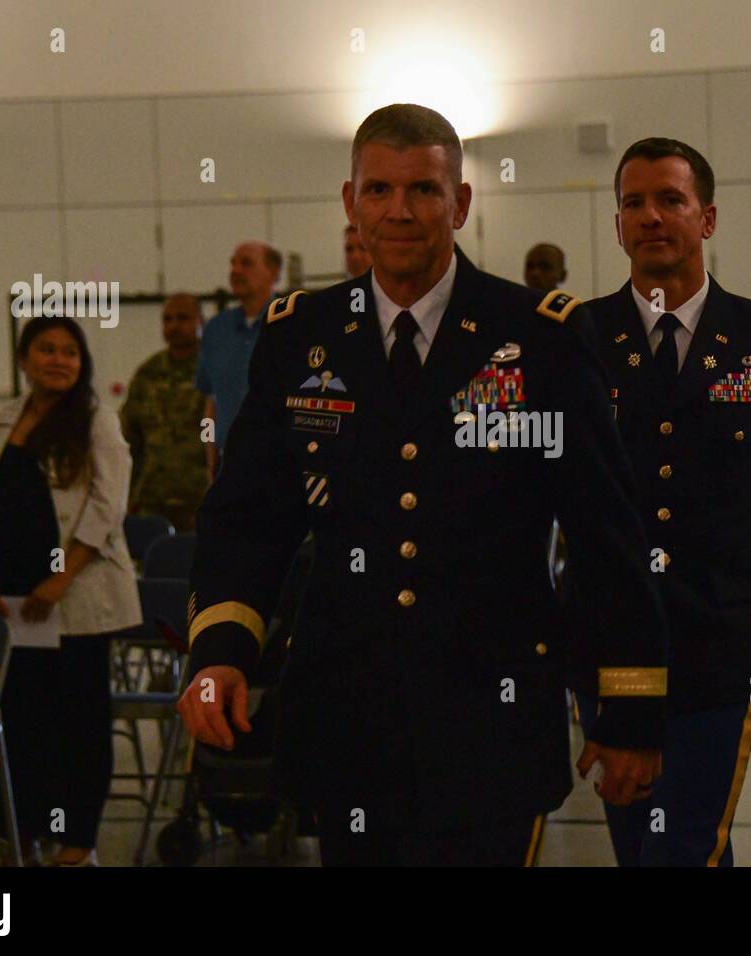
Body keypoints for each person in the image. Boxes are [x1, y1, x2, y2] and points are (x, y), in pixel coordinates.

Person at [176, 103, 669, 866]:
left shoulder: (538, 335)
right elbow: (248, 519)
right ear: (350, 202)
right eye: (378, 190)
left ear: (460, 203)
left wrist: (630, 707)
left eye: (424, 191)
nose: (399, 211)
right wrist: (222, 652)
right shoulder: (299, 336)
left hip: (490, 718)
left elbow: (607, 534)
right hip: (349, 716)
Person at [574, 137, 751, 867]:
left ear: (707, 218)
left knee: (687, 841)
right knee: (642, 842)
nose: (651, 216)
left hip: (720, 639)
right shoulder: (579, 340)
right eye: (633, 202)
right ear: (616, 225)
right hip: (611, 644)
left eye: (670, 199)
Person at [0, 315, 142, 866]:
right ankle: (22, 830)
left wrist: (59, 580)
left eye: (70, 352)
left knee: (81, 720)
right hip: (6, 603)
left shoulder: (97, 420)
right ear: (24, 359)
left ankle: (77, 841)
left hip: (75, 599)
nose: (59, 359)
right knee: (21, 722)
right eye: (47, 349)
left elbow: (108, 505)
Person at [120, 293, 208, 531]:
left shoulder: (215, 371)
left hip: (202, 498)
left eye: (182, 318)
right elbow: (128, 438)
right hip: (152, 499)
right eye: (167, 319)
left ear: (202, 321)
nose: (174, 326)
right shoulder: (148, 373)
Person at [196, 241, 281, 481]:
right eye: (232, 263)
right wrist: (210, 459)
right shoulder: (215, 330)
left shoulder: (293, 324)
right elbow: (210, 403)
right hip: (228, 463)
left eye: (246, 264)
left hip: (279, 465)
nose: (235, 271)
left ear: (273, 273)